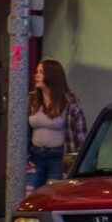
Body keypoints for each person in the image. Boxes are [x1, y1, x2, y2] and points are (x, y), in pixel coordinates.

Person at [26, 59, 87, 192]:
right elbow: (21, 132)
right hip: (35, 156)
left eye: (41, 72)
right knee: (30, 195)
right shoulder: (31, 100)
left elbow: (80, 136)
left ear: (51, 76)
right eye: (37, 72)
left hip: (57, 159)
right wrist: (24, 157)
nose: (36, 75)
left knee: (54, 194)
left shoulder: (69, 102)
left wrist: (77, 164)